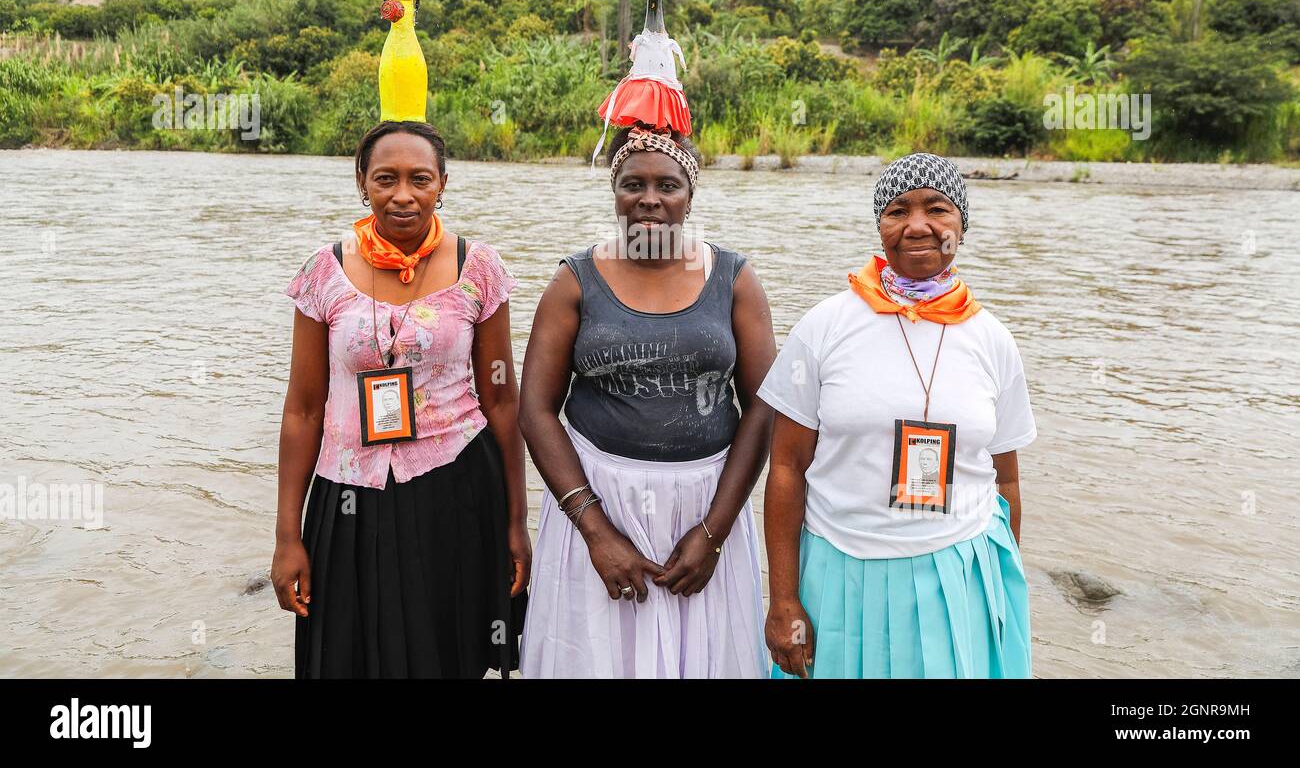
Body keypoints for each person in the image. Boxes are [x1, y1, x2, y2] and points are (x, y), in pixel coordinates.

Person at [760, 152, 1035, 679]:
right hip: (840, 571)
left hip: (958, 573)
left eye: (937, 209)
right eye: (896, 210)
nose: (917, 226)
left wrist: (1000, 584)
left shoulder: (992, 340)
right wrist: (784, 600)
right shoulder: (825, 326)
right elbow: (787, 468)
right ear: (878, 225)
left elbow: (1008, 480)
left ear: (961, 225)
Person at [272, 119, 530, 678]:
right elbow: (302, 409)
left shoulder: (476, 269)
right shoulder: (326, 273)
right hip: (348, 498)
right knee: (347, 654)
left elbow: (502, 400)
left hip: (457, 487)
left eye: (421, 179)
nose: (403, 195)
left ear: (442, 184)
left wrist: (516, 522)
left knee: (449, 653)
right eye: (386, 178)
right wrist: (287, 537)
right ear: (362, 183)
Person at [518, 127, 775, 678]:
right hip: (594, 500)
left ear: (691, 193)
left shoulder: (734, 279)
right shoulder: (575, 280)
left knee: (703, 658)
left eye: (668, 185)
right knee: (596, 658)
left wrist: (713, 532)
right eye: (633, 184)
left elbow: (762, 408)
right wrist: (596, 530)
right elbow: (535, 410)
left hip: (707, 503)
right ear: (615, 193)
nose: (650, 199)